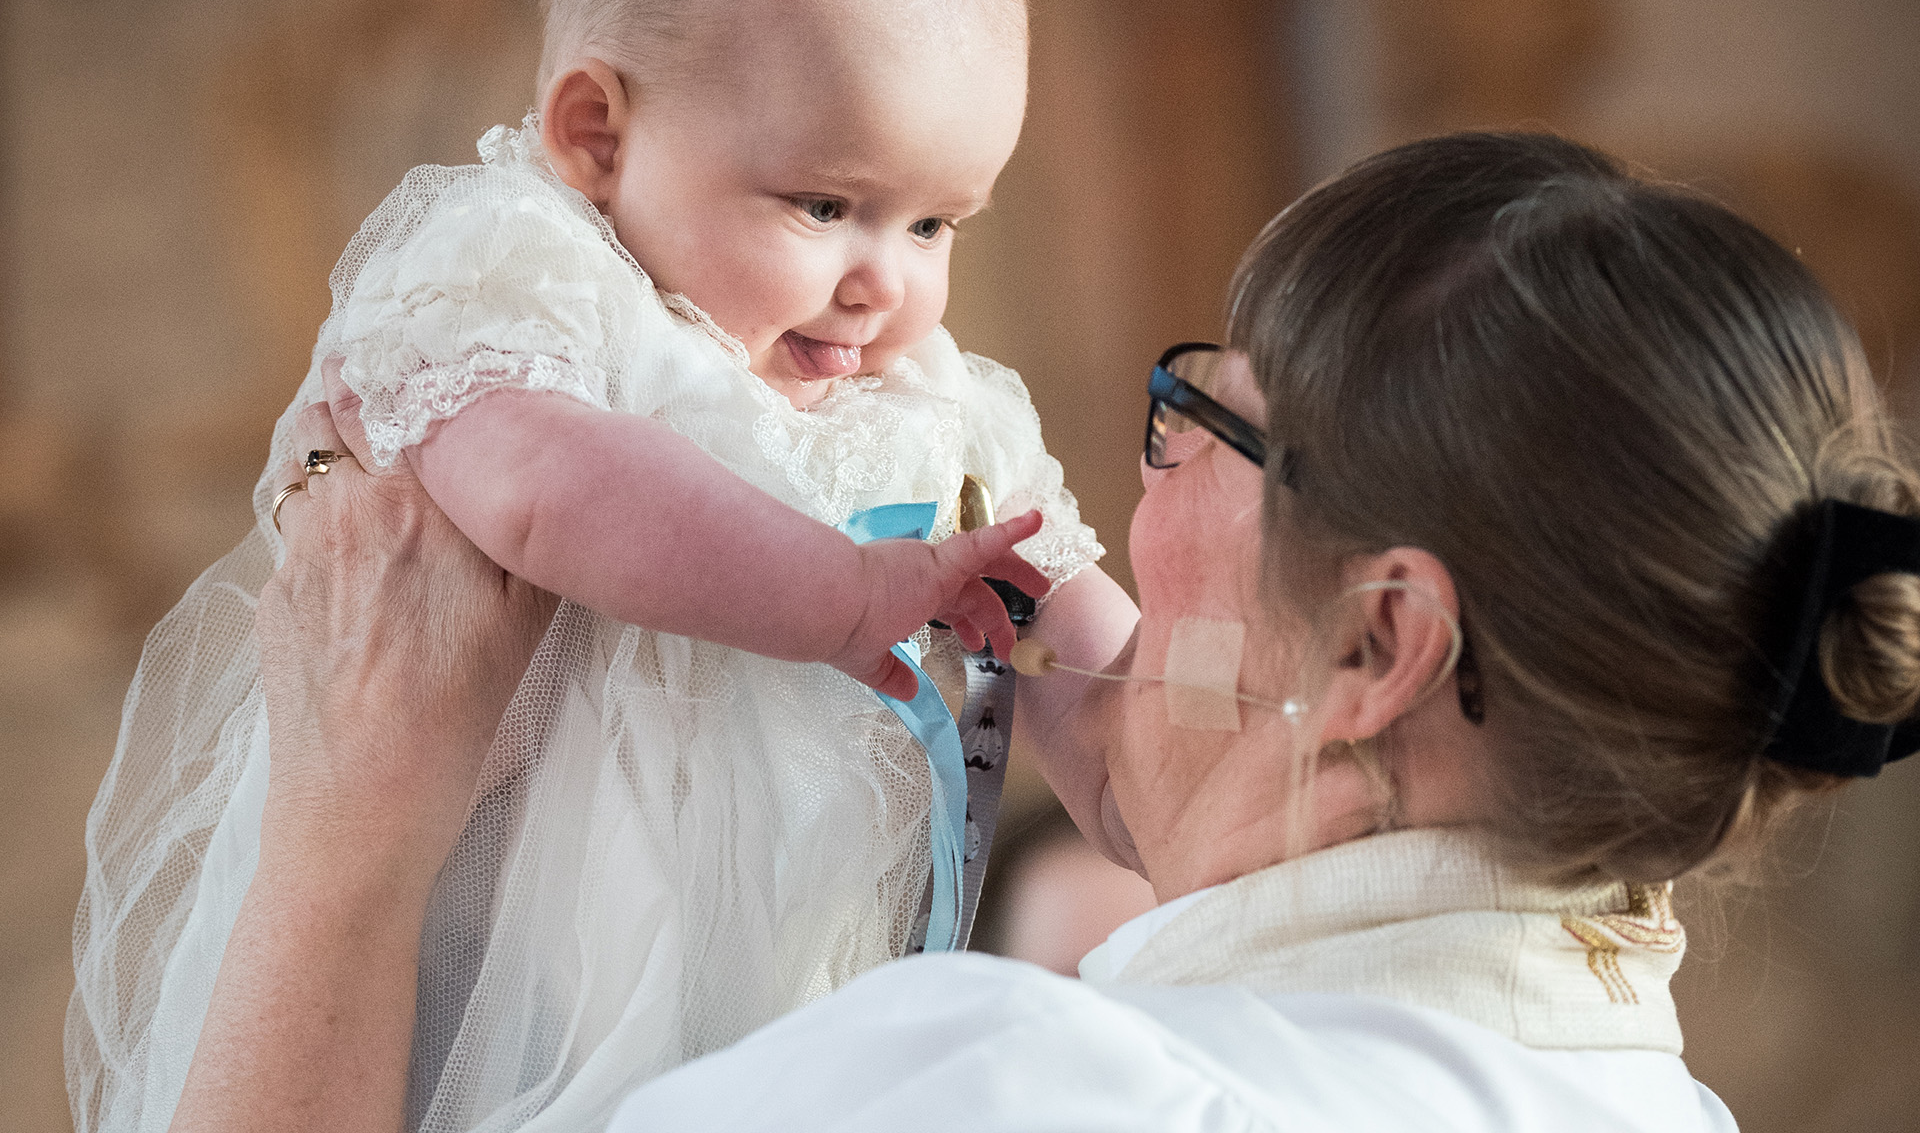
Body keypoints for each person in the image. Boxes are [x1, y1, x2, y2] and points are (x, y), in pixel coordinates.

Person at [164, 130, 1920, 1131]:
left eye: (1201, 428)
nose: (1135, 503)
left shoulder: (1022, 1093)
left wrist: (346, 853)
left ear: (1381, 647)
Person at [67, 0, 1136, 1130]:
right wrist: (839, 590)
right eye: (827, 203)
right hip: (479, 947)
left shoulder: (927, 400)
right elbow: (541, 486)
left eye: (934, 225)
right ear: (596, 135)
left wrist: (1147, 745)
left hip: (765, 961)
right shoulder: (533, 288)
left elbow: (1056, 599)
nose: (883, 284)